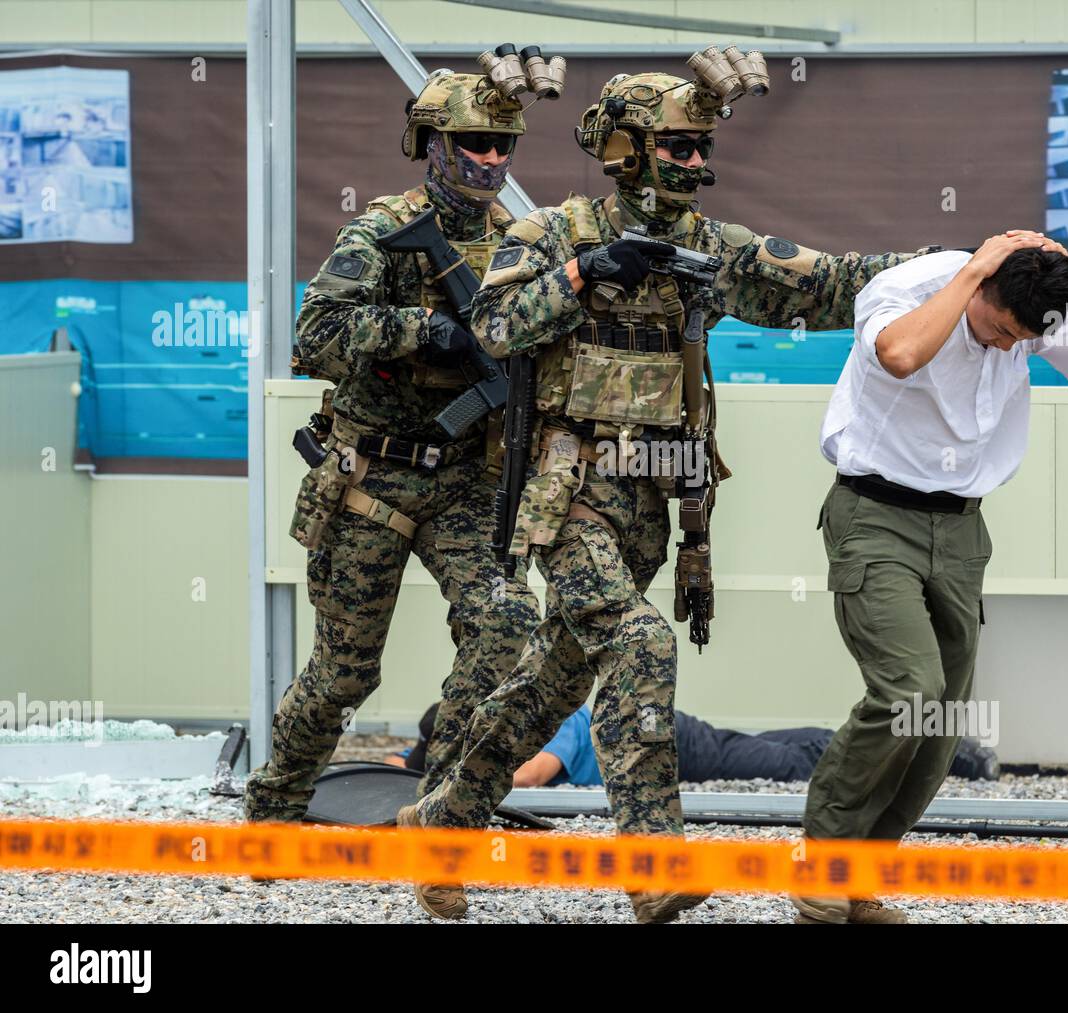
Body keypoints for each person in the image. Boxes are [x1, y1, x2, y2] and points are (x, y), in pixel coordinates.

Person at [400, 50, 931, 924]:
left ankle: (441, 820)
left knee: (551, 682)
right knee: (642, 646)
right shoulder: (555, 235)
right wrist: (585, 275)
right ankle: (652, 866)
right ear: (624, 150)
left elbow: (835, 283)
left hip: (654, 503)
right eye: (677, 146)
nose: (693, 162)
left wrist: (959, 266)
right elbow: (489, 327)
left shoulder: (707, 248)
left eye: (700, 147)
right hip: (566, 498)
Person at [796, 231, 1068, 925]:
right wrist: (973, 272)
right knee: (908, 688)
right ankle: (822, 864)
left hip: (960, 530)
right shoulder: (917, 287)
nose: (1009, 346)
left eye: (1024, 339)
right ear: (981, 285)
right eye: (999, 330)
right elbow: (897, 355)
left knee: (942, 718)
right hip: (875, 514)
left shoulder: (1025, 313)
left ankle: (864, 874)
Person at [242, 63, 550, 823]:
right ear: (432, 142)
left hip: (464, 483)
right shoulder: (380, 232)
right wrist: (421, 330)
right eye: (474, 141)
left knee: (507, 621)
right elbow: (314, 334)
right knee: (346, 673)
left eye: (503, 142)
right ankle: (274, 807)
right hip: (369, 479)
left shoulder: (519, 244)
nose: (491, 159)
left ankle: (442, 804)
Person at [396, 702, 1000, 785]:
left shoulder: (528, 722)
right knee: (782, 747)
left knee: (790, 765)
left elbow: (528, 776)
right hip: (659, 736)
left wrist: (454, 785)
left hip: (665, 743)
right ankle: (925, 737)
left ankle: (951, 757)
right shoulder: (495, 729)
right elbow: (397, 765)